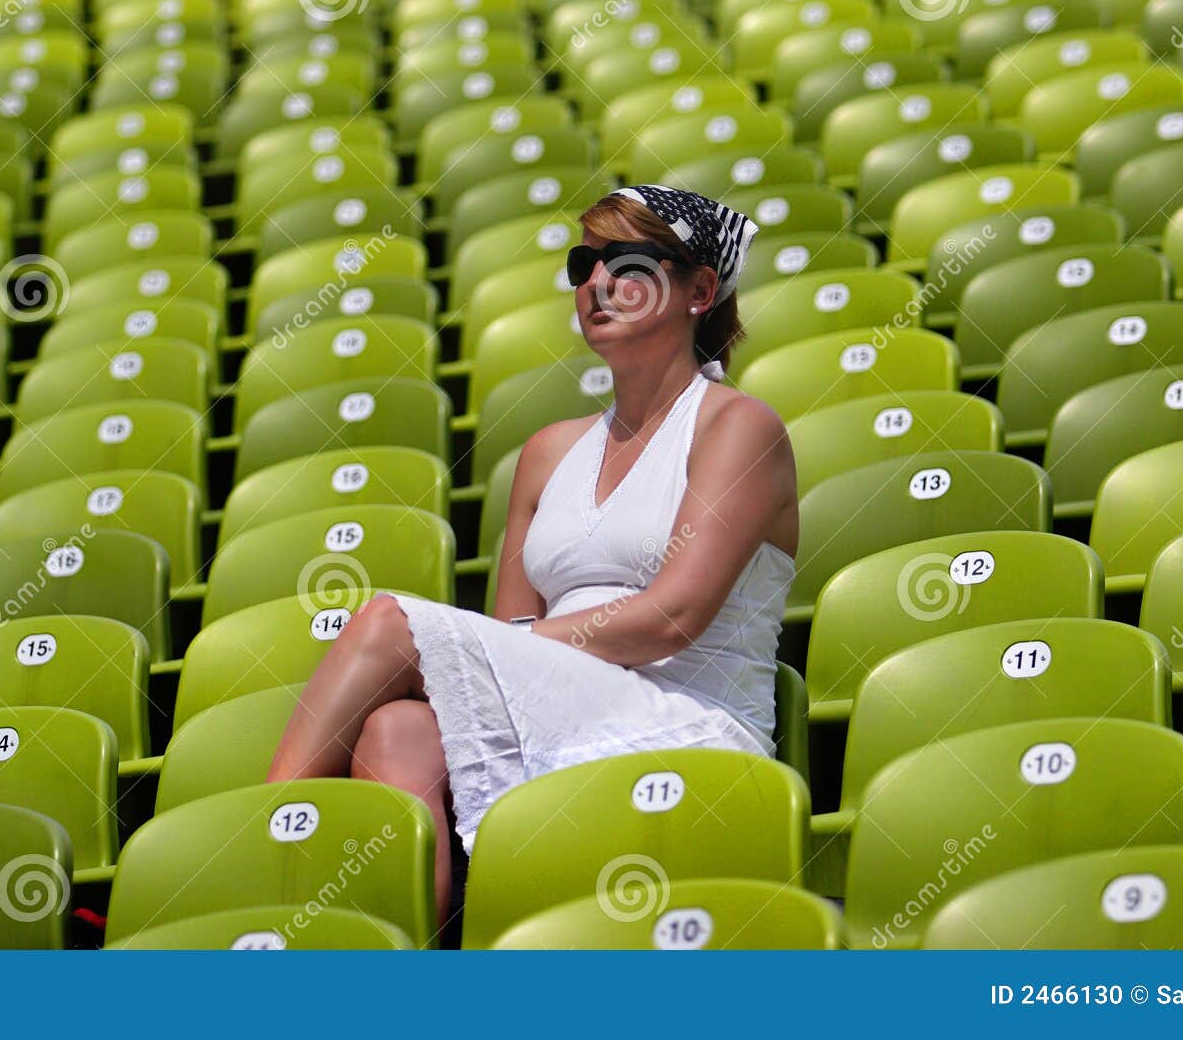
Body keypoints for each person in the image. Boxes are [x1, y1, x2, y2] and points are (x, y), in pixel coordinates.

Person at [268, 184, 800, 927]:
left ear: (700, 289)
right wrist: (505, 644)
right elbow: (508, 636)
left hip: (692, 716)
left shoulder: (740, 427)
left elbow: (673, 617)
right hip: (563, 705)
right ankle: (406, 956)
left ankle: (257, 855)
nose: (595, 282)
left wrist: (492, 643)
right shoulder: (548, 453)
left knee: (390, 622)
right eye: (584, 263)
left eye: (628, 261)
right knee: (397, 729)